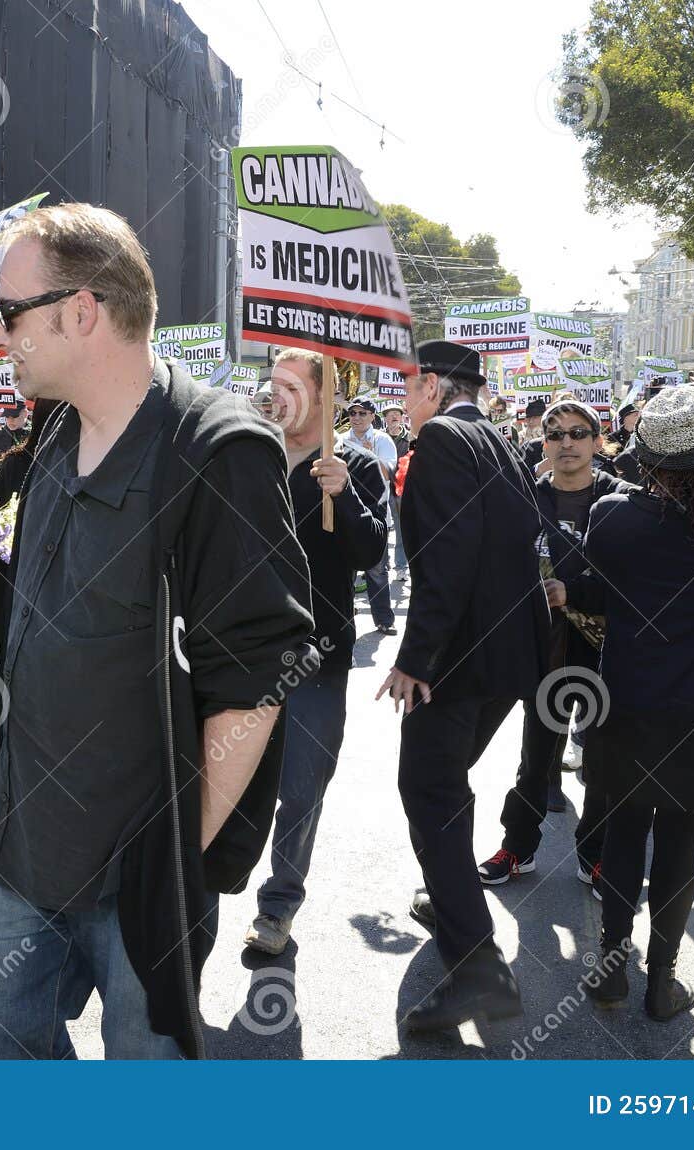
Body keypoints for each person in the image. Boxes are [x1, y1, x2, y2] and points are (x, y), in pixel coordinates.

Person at [0, 203, 314, 1058]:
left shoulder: (220, 452)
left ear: (80, 312)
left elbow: (256, 679)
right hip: (14, 848)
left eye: (9, 313)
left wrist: (175, 860)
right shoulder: (50, 435)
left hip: (137, 877)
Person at [578, 385, 694, 1021]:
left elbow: (596, 595)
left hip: (626, 699)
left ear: (643, 452)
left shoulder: (610, 514)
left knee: (623, 830)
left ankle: (610, 968)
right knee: (681, 844)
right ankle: (661, 980)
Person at [379, 339, 549, 1033]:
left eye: (406, 387)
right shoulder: (492, 437)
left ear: (431, 386)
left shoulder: (445, 438)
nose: (401, 400)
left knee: (429, 788)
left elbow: (446, 559)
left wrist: (416, 658)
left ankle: (478, 970)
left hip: (460, 658)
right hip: (504, 658)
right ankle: (451, 901)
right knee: (443, 784)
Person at [244, 352, 387, 955]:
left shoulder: (352, 465)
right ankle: (191, 896)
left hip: (316, 656)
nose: (276, 395)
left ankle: (278, 905)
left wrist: (346, 496)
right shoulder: (247, 452)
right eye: (272, 384)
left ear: (325, 399)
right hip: (240, 651)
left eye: (290, 385)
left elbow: (369, 552)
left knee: (302, 787)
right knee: (217, 779)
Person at [479, 398, 629, 890]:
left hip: (604, 651)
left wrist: (575, 592)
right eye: (556, 434)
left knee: (604, 763)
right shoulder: (526, 497)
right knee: (537, 758)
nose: (567, 442)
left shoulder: (622, 500)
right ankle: (517, 848)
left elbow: (641, 581)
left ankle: (597, 855)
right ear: (544, 443)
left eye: (578, 433)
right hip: (543, 651)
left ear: (597, 439)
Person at [342, 396, 398, 634]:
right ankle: (344, 620)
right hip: (347, 514)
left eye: (362, 414)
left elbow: (388, 474)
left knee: (376, 570)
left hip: (376, 514)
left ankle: (383, 619)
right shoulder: (341, 440)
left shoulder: (382, 440)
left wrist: (368, 456)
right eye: (353, 413)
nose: (356, 418)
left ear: (372, 417)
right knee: (345, 571)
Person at [382, 403, 411, 579]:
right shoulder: (379, 437)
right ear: (384, 419)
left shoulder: (410, 438)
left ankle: (401, 567)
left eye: (396, 414)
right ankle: (380, 563)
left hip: (401, 489)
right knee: (382, 527)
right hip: (382, 488)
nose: (393, 417)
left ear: (401, 418)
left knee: (401, 528)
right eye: (389, 414)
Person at [519, 397, 548, 474]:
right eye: (528, 418)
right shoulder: (520, 437)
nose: (531, 421)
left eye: (535, 417)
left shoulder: (552, 438)